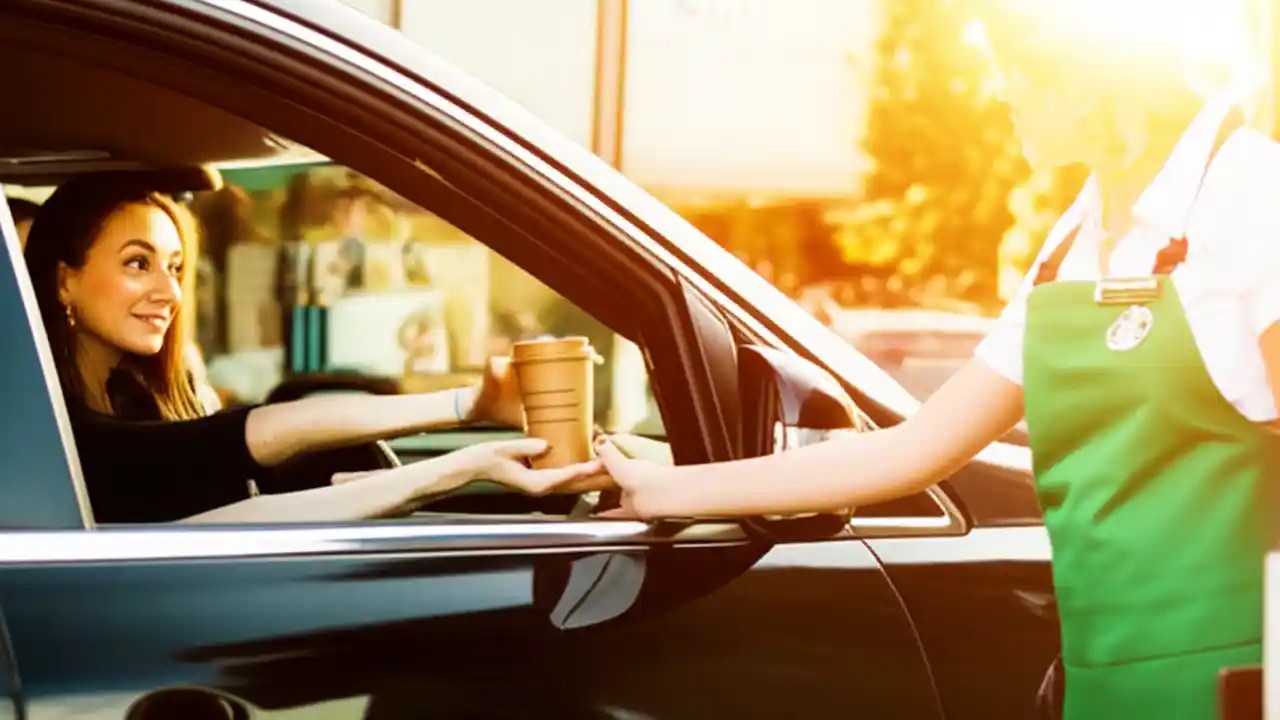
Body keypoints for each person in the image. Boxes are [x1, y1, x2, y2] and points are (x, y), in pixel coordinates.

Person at [588, 3, 1278, 718]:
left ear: (1087, 78)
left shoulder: (1256, 198)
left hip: (1237, 688)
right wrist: (658, 490)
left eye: (1013, 70)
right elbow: (914, 449)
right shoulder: (1075, 237)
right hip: (1103, 691)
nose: (1001, 92)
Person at [23, 172, 599, 524]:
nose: (169, 291)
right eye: (137, 263)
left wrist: (466, 421)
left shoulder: (134, 397)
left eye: (175, 267)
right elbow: (252, 454)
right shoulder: (51, 441)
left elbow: (253, 464)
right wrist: (464, 416)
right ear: (63, 279)